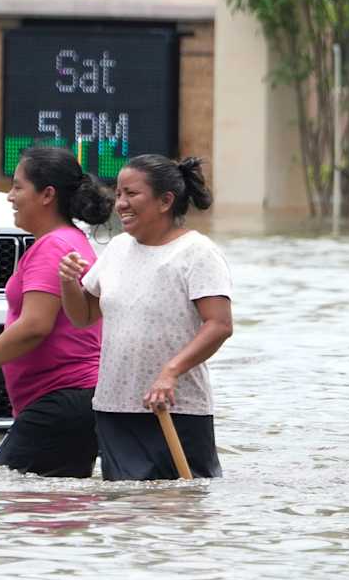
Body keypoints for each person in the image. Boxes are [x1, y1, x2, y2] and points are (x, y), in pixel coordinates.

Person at [58, 154, 233, 481]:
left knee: (178, 512)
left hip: (175, 407)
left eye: (131, 194)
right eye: (119, 193)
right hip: (114, 406)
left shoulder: (197, 253)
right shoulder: (117, 248)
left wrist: (170, 372)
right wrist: (68, 282)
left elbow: (220, 325)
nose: (120, 203)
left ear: (165, 201)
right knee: (124, 512)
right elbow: (83, 316)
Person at [0, 147, 112, 477]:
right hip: (72, 400)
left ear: (47, 194)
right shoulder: (71, 240)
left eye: (18, 187)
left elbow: (35, 325)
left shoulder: (54, 246)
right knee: (52, 510)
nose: (9, 197)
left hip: (62, 399)